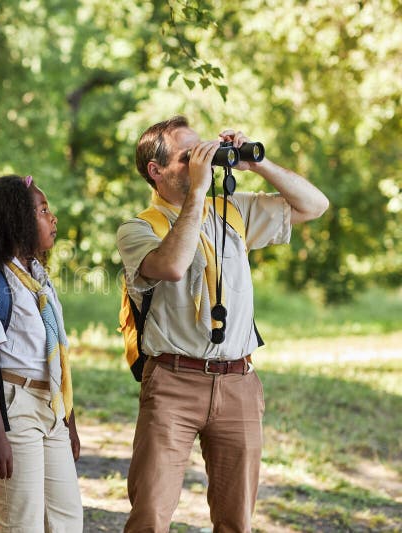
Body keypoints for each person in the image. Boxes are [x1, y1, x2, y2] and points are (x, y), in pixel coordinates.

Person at [117, 116, 329, 532]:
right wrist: (197, 191)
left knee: (236, 521)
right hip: (173, 384)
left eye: (204, 150)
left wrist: (259, 164)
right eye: (188, 156)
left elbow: (314, 206)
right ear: (155, 172)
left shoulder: (232, 211)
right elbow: (173, 266)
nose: (203, 161)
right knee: (150, 517)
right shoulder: (138, 228)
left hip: (238, 382)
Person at [0, 175, 84, 532]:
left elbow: (55, 355)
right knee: (22, 521)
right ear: (16, 221)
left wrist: (68, 422)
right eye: (42, 210)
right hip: (11, 406)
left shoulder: (39, 278)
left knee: (67, 519)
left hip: (49, 405)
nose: (52, 218)